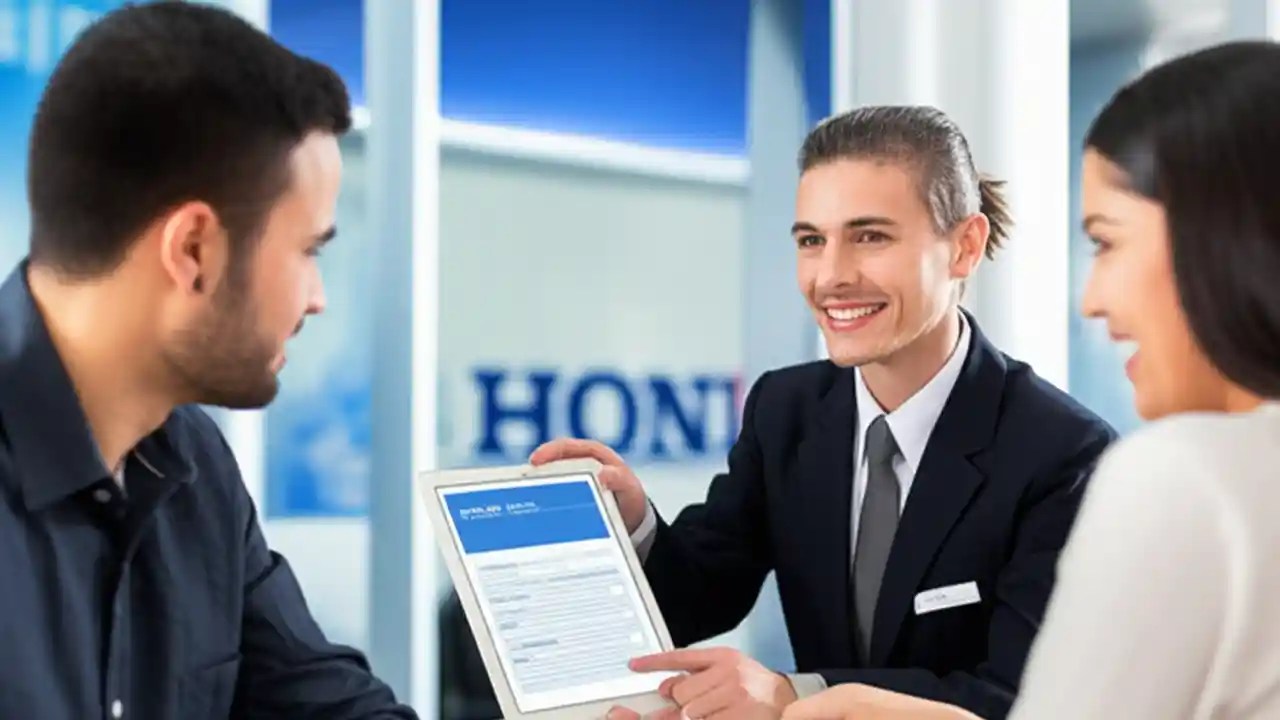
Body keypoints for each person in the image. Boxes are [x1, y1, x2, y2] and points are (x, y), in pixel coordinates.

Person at [531, 106, 1115, 720]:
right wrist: (635, 525)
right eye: (812, 240)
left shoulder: (1062, 454)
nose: (831, 277)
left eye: (870, 236)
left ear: (964, 247)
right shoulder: (786, 410)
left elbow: (1016, 699)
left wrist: (793, 695)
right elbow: (701, 593)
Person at [783, 39, 1280, 720]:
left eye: (1107, 241)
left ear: (1225, 238)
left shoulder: (1178, 476)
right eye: (810, 239)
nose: (1092, 299)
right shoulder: (788, 410)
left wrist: (820, 704)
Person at [0, 4, 415, 718]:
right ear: (194, 250)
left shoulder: (195, 468)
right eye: (309, 250)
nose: (317, 298)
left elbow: (325, 705)